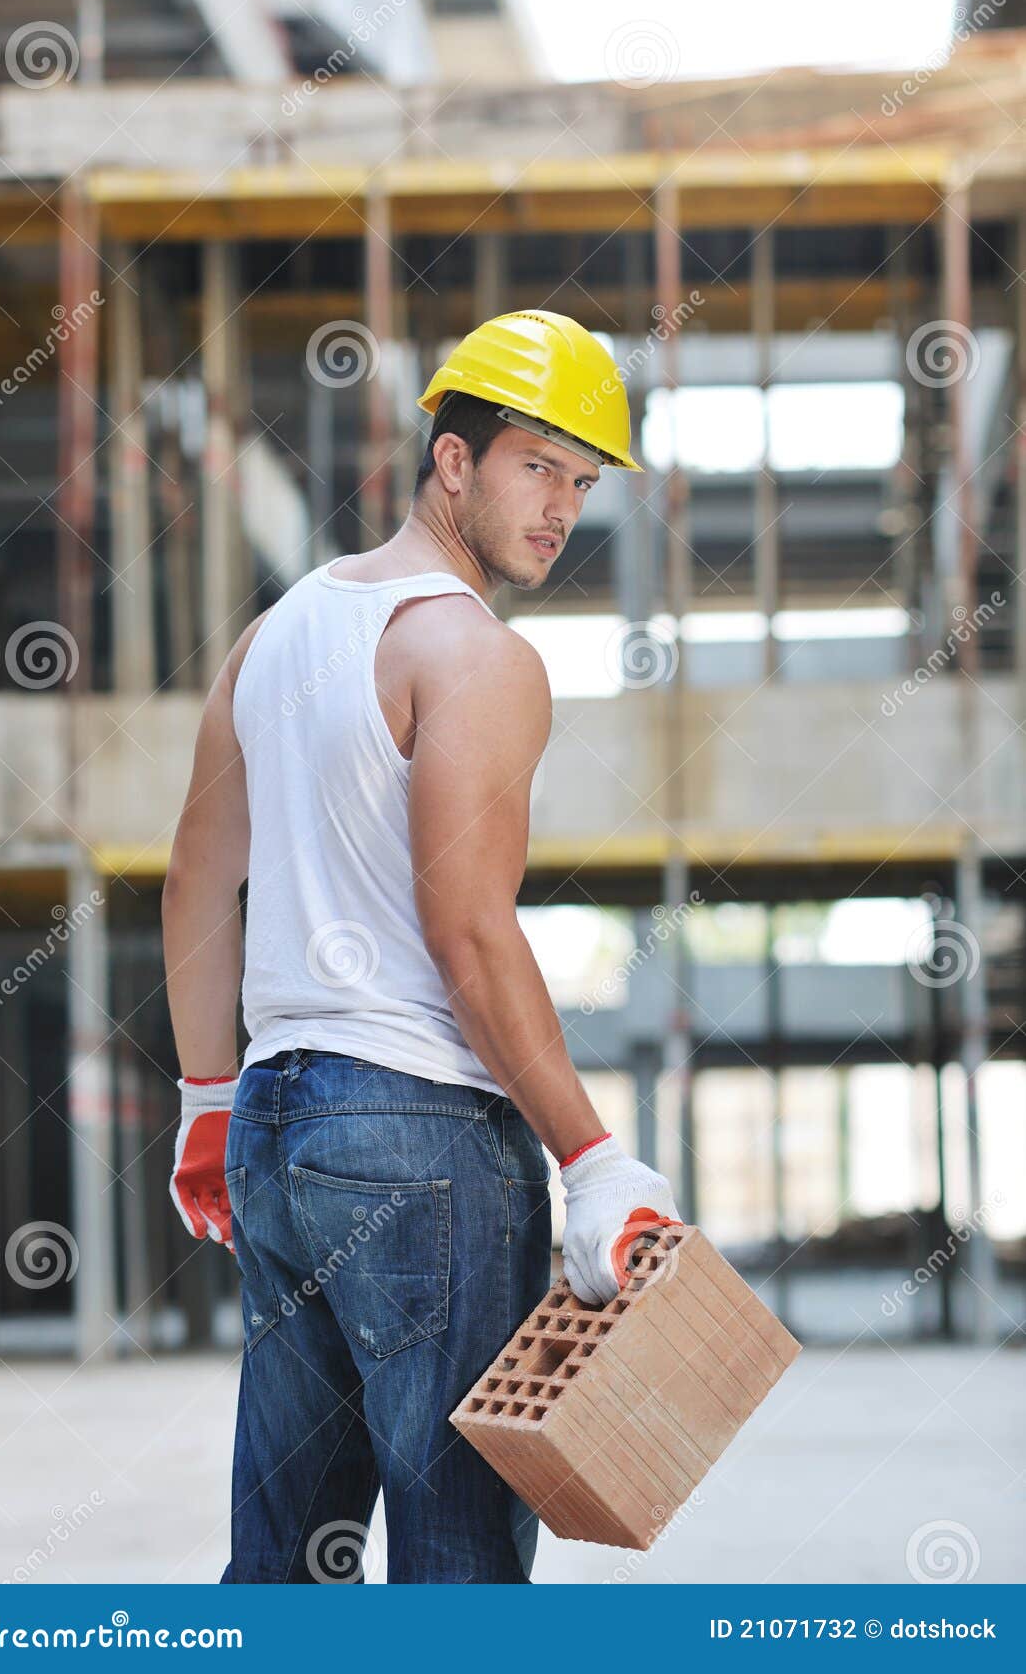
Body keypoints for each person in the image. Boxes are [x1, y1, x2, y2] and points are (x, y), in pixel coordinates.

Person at [162, 308, 680, 1584]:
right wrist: (592, 1156)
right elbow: (468, 930)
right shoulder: (477, 655)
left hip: (279, 1134)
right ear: (453, 460)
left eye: (581, 480)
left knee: (285, 1562)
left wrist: (209, 1099)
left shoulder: (271, 638)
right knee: (457, 1567)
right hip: (421, 1135)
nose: (560, 507)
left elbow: (196, 882)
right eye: (535, 466)